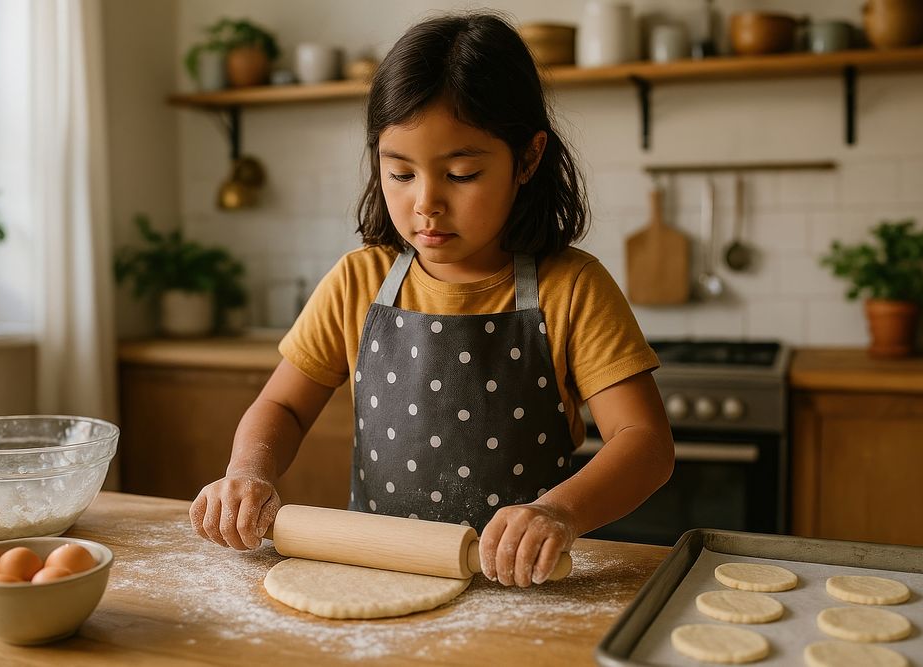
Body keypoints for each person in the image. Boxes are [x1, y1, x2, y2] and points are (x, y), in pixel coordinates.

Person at [190, 12, 674, 588]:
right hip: (382, 578)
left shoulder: (571, 288)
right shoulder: (357, 281)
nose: (426, 203)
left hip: (522, 587)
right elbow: (284, 408)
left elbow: (644, 444)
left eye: (462, 174)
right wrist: (249, 471)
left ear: (528, 158)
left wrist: (559, 513)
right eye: (399, 173)